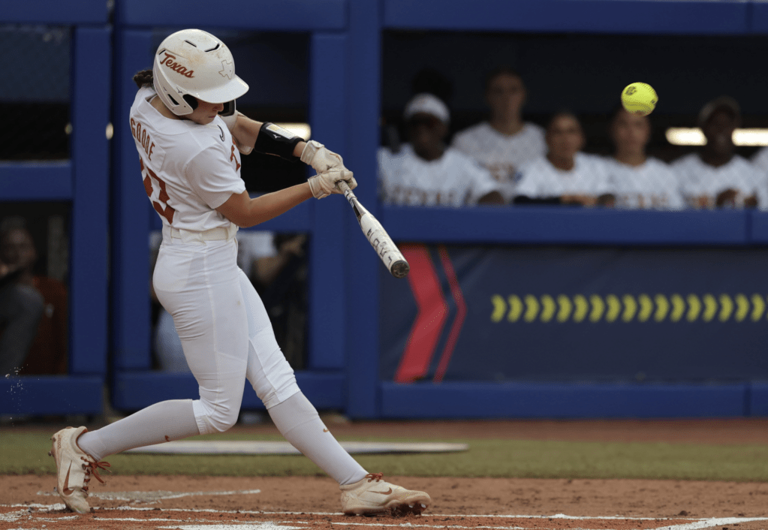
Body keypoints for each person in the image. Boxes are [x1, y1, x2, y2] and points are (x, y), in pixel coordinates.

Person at [49, 29, 430, 516]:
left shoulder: (148, 98)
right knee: (218, 411)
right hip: (198, 271)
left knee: (277, 382)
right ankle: (85, 446)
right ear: (176, 92)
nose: (218, 106)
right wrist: (313, 187)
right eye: (207, 98)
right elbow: (244, 213)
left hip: (210, 262)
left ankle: (355, 483)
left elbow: (239, 125)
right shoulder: (191, 150)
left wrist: (304, 150)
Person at [378, 93, 504, 206]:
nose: (421, 128)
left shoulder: (462, 163)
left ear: (443, 128)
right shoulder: (384, 158)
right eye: (415, 123)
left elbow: (494, 196)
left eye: (429, 122)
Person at [452, 67, 546, 202]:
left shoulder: (542, 138)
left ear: (523, 95)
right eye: (498, 91)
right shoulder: (465, 140)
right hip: (479, 216)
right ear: (487, 97)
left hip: (528, 216)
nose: (506, 98)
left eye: (513, 91)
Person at [672, 97, 765, 209]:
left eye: (728, 124)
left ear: (735, 128)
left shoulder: (752, 173)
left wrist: (752, 206)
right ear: (703, 128)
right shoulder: (678, 171)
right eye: (715, 123)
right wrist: (716, 202)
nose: (722, 129)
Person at [514, 111, 613, 206]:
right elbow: (520, 201)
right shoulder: (530, 168)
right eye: (558, 132)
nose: (565, 139)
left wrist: (599, 201)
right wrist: (562, 200)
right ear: (547, 138)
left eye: (571, 131)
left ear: (581, 138)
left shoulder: (596, 165)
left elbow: (608, 196)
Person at [605, 107, 684, 210]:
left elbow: (677, 214)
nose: (631, 132)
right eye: (623, 124)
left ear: (649, 130)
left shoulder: (665, 173)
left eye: (638, 125)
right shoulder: (599, 170)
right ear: (611, 129)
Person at [0, 222, 44, 375]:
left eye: (24, 247)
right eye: (9, 247)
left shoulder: (54, 290)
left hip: (44, 380)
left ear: (34, 251)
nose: (18, 253)